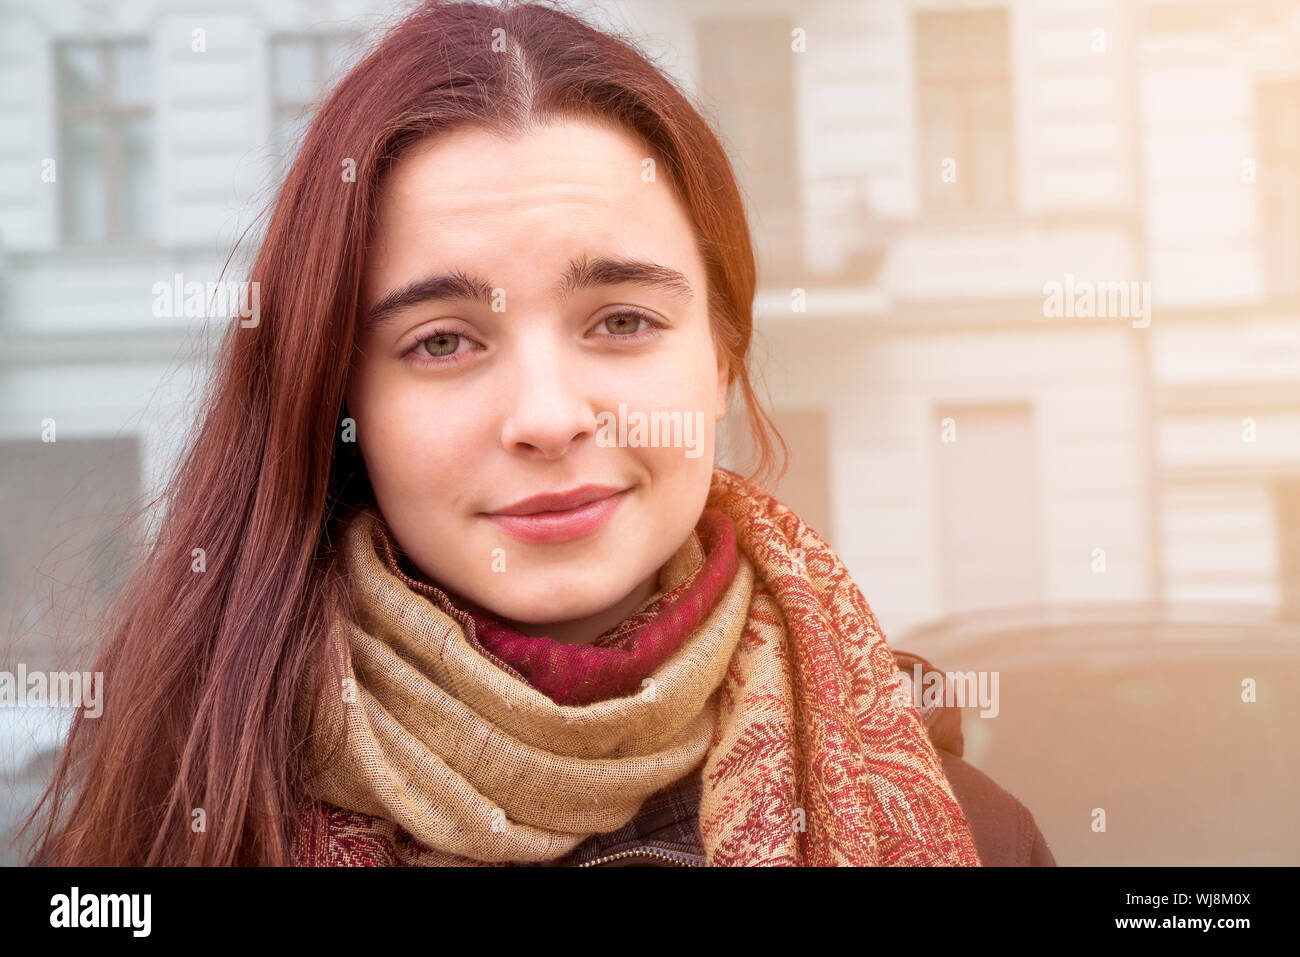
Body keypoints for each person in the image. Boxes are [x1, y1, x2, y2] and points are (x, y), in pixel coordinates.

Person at [23, 0, 1051, 867]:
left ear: (722, 358)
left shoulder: (978, 834)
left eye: (621, 321)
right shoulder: (173, 823)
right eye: (441, 342)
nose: (551, 417)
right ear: (340, 403)